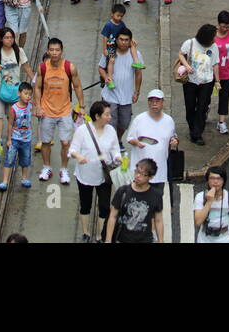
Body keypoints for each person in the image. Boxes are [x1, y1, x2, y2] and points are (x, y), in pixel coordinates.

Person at [71, 100, 122, 241]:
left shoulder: (111, 130)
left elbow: (115, 149)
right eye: (107, 114)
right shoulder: (82, 130)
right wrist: (79, 156)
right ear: (97, 116)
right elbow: (72, 149)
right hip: (85, 174)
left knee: (105, 207)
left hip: (104, 176)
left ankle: (100, 234)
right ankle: (86, 232)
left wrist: (118, 158)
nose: (110, 117)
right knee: (85, 204)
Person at [37, 37, 83, 184]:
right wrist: (38, 106)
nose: (54, 53)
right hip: (47, 111)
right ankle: (46, 167)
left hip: (65, 111)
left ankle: (64, 169)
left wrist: (81, 106)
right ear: (47, 51)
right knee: (45, 142)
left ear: (62, 51)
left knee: (65, 143)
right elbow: (37, 87)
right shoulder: (42, 67)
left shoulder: (70, 67)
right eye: (52, 50)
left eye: (57, 50)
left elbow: (77, 86)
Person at [125, 90, 178, 197]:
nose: (154, 104)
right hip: (141, 170)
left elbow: (173, 137)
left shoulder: (169, 121)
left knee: (156, 200)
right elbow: (129, 138)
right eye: (151, 101)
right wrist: (137, 143)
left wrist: (174, 142)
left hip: (160, 169)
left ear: (163, 102)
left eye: (157, 101)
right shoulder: (139, 119)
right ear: (148, 103)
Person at [176, 24, 219, 146]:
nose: (214, 40)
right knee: (190, 106)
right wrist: (187, 66)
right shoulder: (190, 43)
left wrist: (217, 81)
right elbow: (180, 54)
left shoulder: (214, 47)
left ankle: (197, 133)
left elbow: (215, 64)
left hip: (207, 82)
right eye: (212, 37)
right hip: (190, 81)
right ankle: (192, 127)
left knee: (202, 107)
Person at [106, 158, 164, 243]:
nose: (137, 176)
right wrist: (108, 240)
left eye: (142, 174)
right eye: (137, 172)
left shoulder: (156, 195)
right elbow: (113, 216)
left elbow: (158, 220)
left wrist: (161, 241)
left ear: (150, 177)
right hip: (122, 239)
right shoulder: (123, 191)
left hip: (145, 240)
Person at [194, 166, 229, 243]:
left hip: (226, 239)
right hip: (204, 240)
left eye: (219, 178)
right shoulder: (200, 197)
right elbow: (198, 222)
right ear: (207, 181)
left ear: (224, 181)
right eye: (212, 178)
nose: (215, 182)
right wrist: (209, 201)